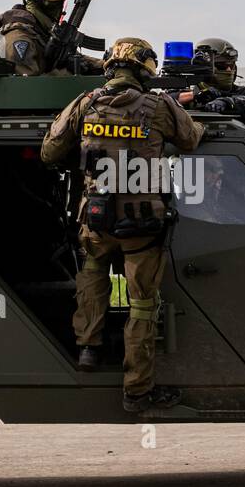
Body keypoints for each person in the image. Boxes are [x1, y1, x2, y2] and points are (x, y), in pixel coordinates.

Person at [41, 37, 205, 412]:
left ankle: (88, 349)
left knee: (92, 274)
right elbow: (191, 139)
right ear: (144, 69)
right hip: (141, 225)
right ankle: (136, 392)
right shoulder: (160, 106)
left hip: (96, 219)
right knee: (142, 306)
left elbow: (50, 151)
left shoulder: (86, 103)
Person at [176, 37, 245, 110]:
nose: (228, 70)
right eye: (222, 65)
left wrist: (229, 102)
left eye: (231, 65)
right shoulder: (188, 95)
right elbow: (166, 102)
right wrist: (195, 96)